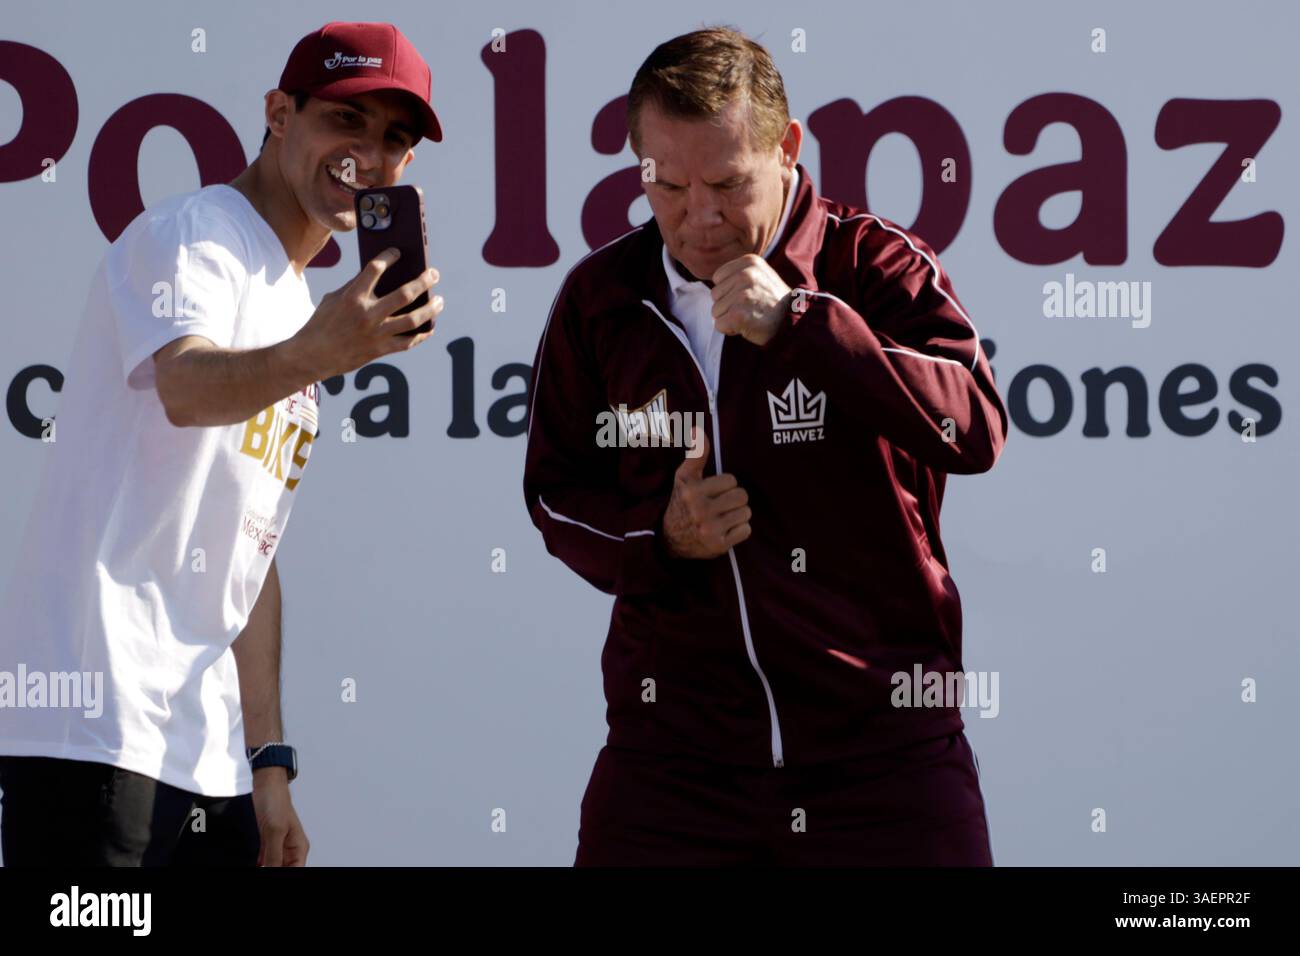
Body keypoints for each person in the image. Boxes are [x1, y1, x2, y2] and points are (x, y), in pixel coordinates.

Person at [523, 26, 1009, 865]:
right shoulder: (600, 299)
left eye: (726, 182)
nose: (699, 215)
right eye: (666, 185)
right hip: (672, 768)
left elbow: (971, 425)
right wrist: (663, 534)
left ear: (787, 150)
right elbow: (553, 495)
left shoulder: (873, 263)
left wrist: (804, 326)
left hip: (886, 761)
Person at [0, 20, 443, 866]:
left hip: (204, 753)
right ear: (279, 114)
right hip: (93, 729)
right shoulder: (195, 233)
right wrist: (323, 350)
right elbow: (186, 388)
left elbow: (247, 551)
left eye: (393, 138)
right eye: (345, 121)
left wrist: (268, 761)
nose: (368, 153)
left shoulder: (291, 293)